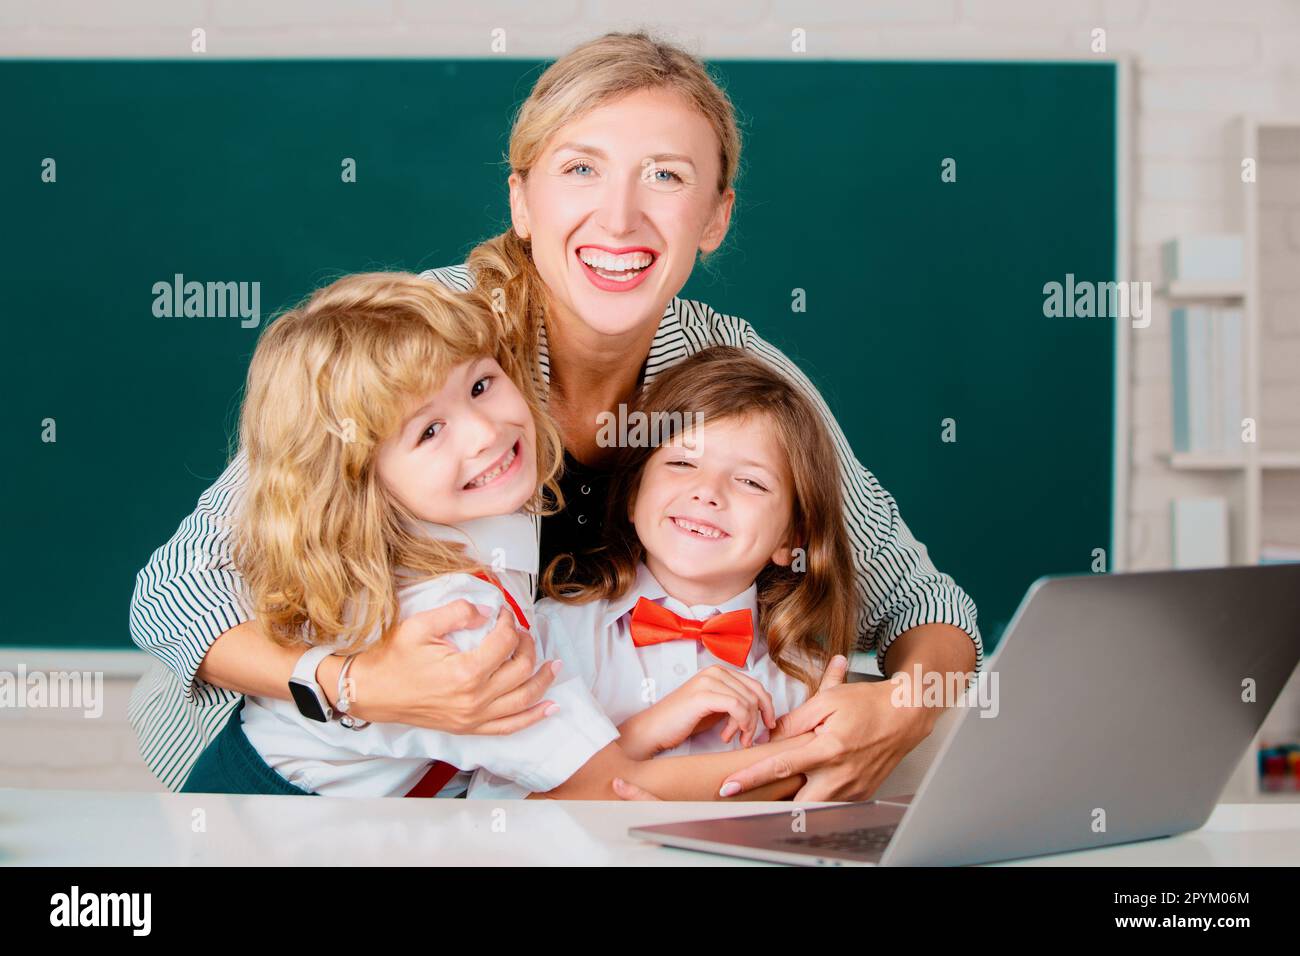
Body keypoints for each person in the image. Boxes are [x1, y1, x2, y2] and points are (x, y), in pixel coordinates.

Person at [130, 30, 981, 800]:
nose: (618, 217)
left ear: (715, 216)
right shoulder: (427, 351)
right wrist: (364, 683)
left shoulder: (738, 383)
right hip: (289, 792)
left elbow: (921, 603)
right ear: (522, 202)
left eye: (666, 176)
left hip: (512, 803)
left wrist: (905, 711)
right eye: (580, 169)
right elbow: (173, 595)